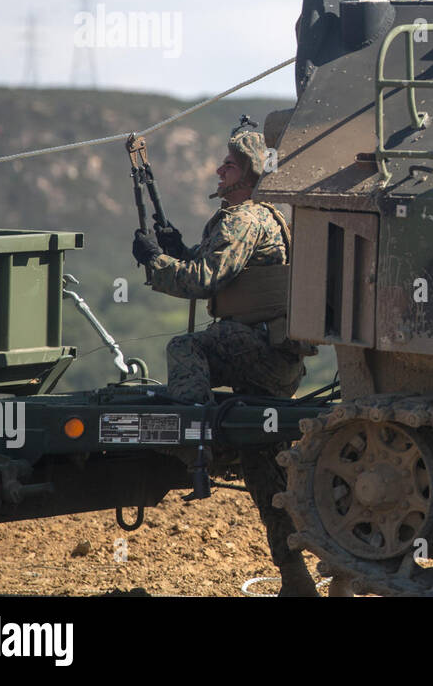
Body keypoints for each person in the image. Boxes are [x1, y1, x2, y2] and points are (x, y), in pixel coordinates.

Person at [131, 120, 318, 597]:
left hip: (253, 348)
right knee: (262, 467)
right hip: (276, 357)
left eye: (229, 165)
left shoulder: (243, 219)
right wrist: (178, 250)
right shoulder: (268, 218)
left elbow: (202, 280)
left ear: (250, 173)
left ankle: (194, 440)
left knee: (185, 347)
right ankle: (297, 578)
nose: (219, 170)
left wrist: (155, 262)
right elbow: (217, 268)